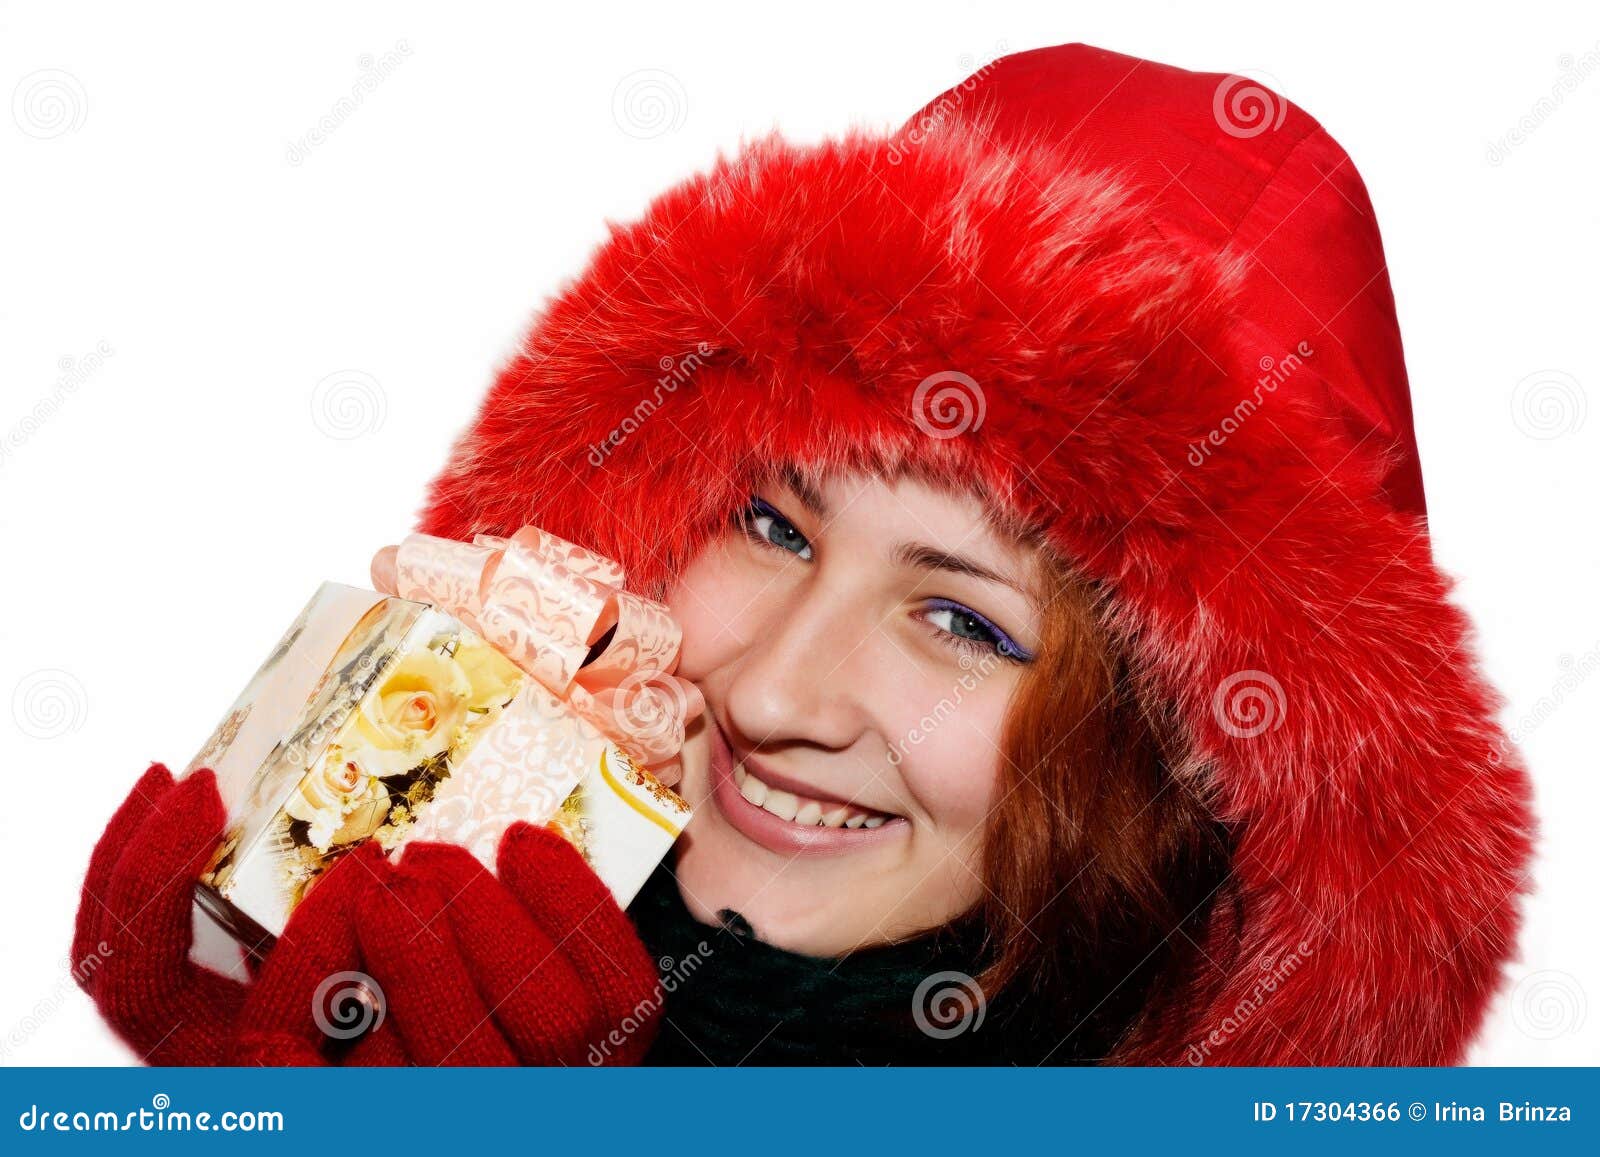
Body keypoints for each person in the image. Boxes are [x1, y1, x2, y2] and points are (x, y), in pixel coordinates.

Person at [75, 42, 1535, 1066]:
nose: (773, 691)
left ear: (1181, 772)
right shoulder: (428, 982)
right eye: (773, 526)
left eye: (964, 621)